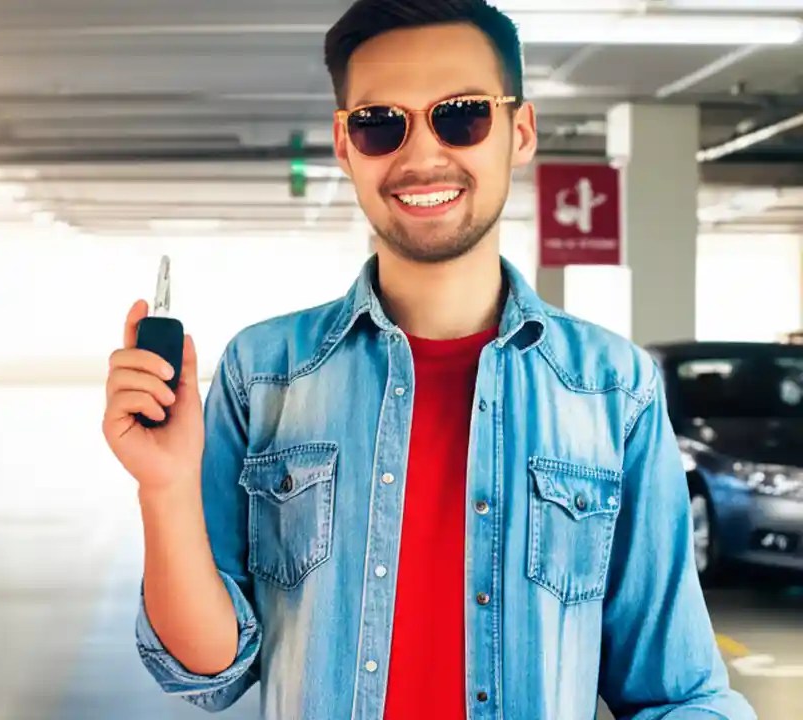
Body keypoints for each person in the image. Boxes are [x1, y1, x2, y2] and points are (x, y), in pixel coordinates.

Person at [101, 1, 757, 718]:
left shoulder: (612, 391)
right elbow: (209, 671)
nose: (420, 156)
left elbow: (680, 693)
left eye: (462, 114)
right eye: (380, 123)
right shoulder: (264, 375)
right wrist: (163, 490)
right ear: (345, 145)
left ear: (520, 132)